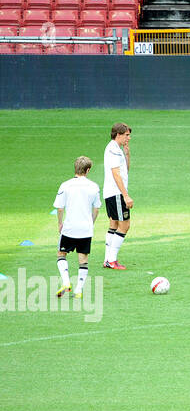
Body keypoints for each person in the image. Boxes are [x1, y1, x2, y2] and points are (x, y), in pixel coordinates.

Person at [54, 156, 101, 299]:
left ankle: (66, 282)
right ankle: (79, 290)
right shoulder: (94, 186)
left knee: (61, 254)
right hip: (85, 229)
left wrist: (60, 223)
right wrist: (91, 223)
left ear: (75, 168)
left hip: (69, 227)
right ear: (88, 170)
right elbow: (96, 208)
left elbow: (60, 208)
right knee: (83, 259)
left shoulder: (65, 185)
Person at [101, 123, 132, 270]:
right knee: (124, 225)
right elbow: (116, 174)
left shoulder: (116, 149)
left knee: (113, 224)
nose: (129, 138)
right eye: (126, 135)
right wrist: (125, 196)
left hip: (111, 193)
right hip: (116, 193)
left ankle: (108, 259)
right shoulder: (113, 149)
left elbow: (125, 171)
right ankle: (112, 260)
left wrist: (127, 154)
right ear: (118, 135)